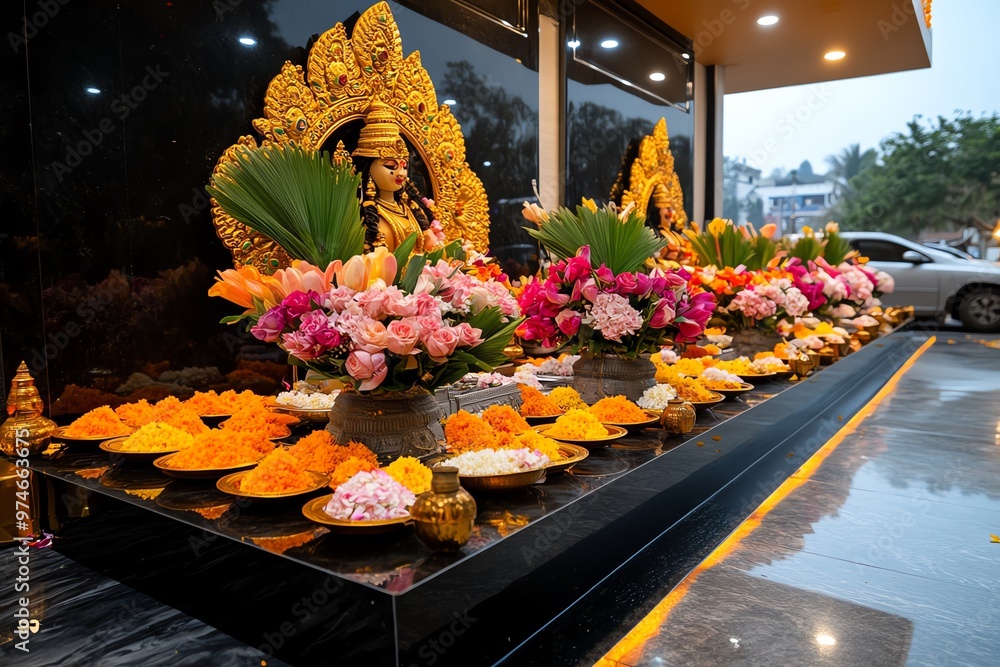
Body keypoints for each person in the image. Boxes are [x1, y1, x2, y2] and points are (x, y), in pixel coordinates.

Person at [351, 102, 437, 253]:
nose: (401, 173)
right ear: (368, 168)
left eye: (404, 166)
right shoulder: (362, 215)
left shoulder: (410, 207)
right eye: (391, 166)